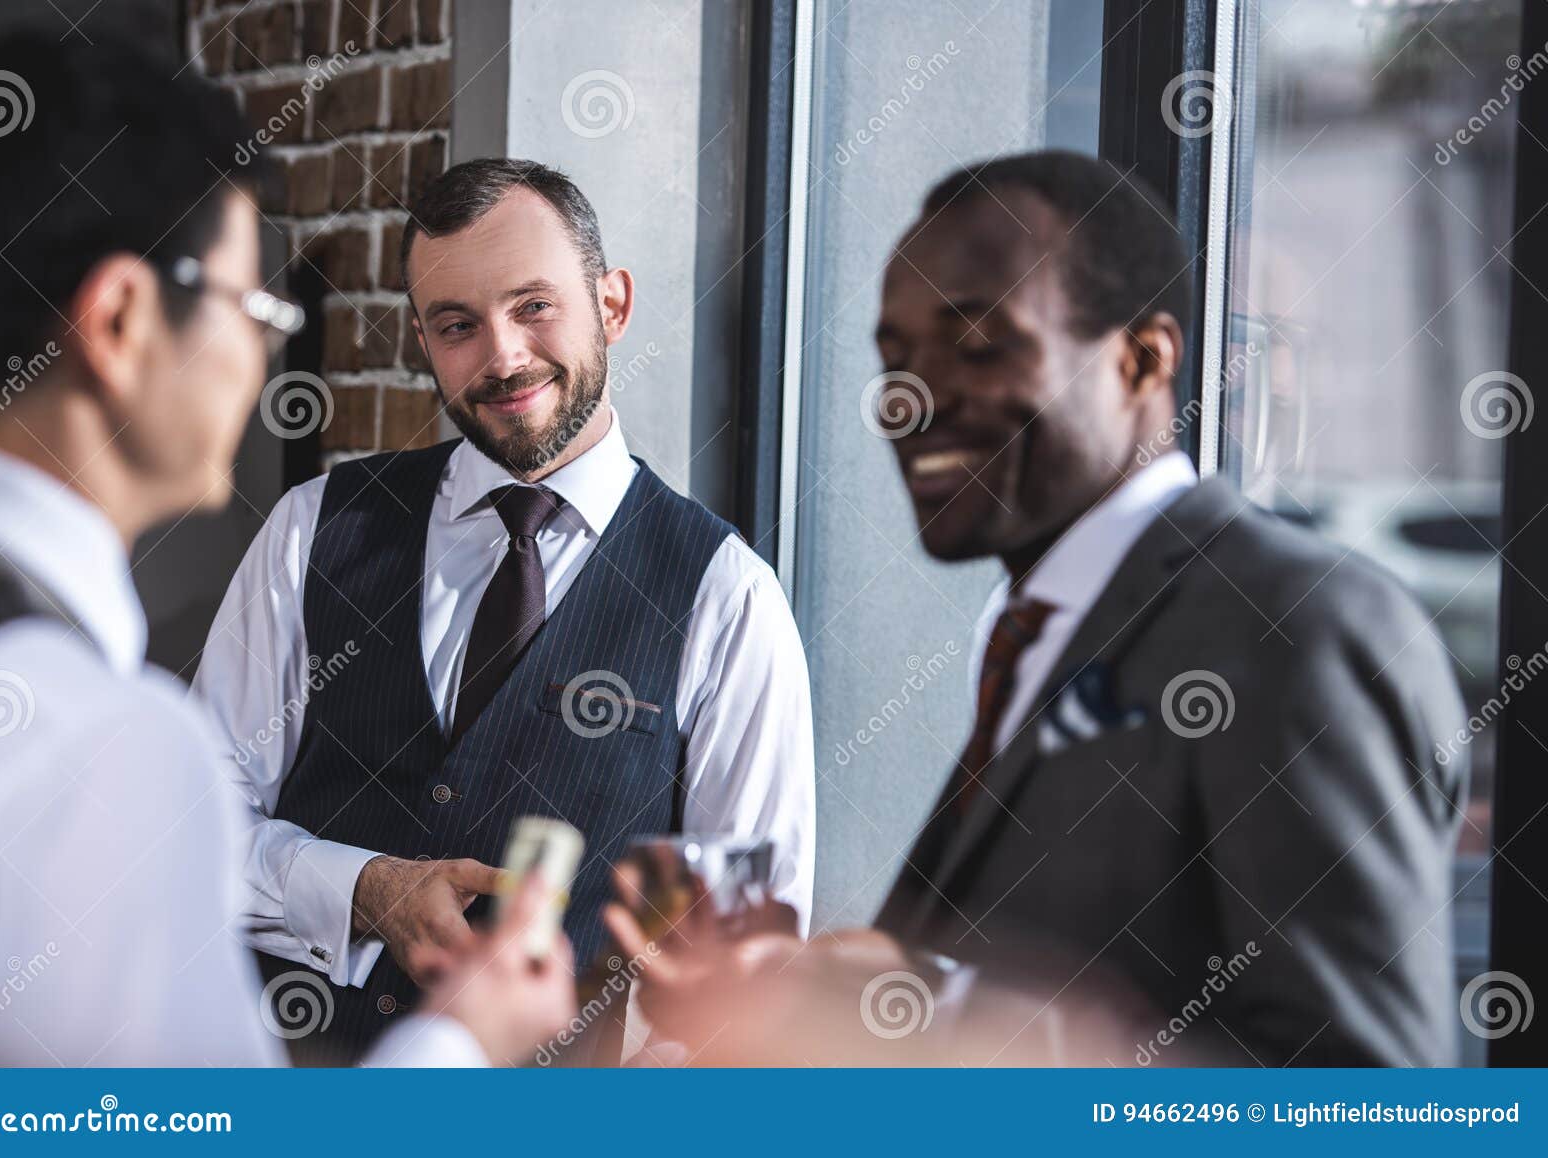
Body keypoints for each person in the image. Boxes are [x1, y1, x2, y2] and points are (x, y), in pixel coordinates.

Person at [609, 150, 1469, 1067]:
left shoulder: (1295, 625)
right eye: (895, 361)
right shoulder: (1034, 630)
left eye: (979, 344)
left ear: (1143, 360)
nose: (906, 400)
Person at [0, 31, 572, 1067]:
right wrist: (463, 1041)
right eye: (254, 309)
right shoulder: (97, 742)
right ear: (120, 320)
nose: (261, 358)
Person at [193, 158, 816, 1062]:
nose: (502, 357)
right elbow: (192, 823)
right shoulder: (312, 530)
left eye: (534, 306)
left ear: (613, 305)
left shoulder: (728, 596)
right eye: (457, 325)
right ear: (422, 340)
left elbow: (752, 964)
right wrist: (358, 887)